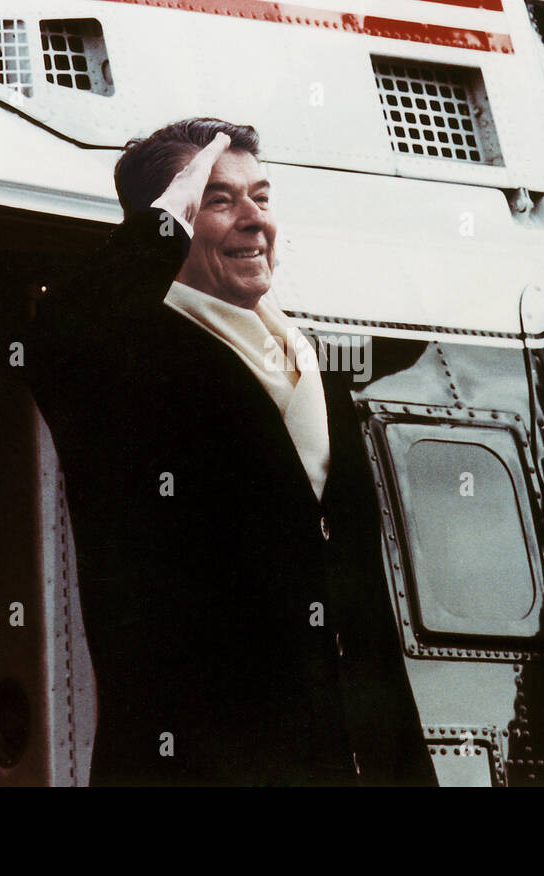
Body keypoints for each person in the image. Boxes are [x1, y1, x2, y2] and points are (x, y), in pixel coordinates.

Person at [23, 117, 436, 785]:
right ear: (174, 221)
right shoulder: (122, 368)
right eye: (219, 200)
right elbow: (63, 335)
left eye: (262, 197)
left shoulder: (314, 366)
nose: (253, 220)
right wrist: (165, 216)